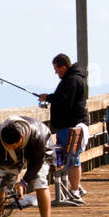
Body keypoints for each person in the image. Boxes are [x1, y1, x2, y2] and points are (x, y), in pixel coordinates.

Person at [0, 115, 54, 217]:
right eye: (8, 146)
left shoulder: (37, 136)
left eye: (14, 146)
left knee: (40, 181)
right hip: (9, 156)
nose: (10, 147)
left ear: (22, 138)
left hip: (40, 153)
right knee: (0, 183)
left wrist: (24, 182)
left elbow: (36, 163)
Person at [38, 53, 88, 197]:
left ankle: (74, 190)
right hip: (73, 124)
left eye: (56, 69)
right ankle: (76, 188)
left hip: (68, 125)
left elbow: (64, 101)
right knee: (72, 158)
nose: (55, 72)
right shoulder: (77, 78)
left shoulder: (71, 80)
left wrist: (48, 97)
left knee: (72, 159)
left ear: (63, 67)